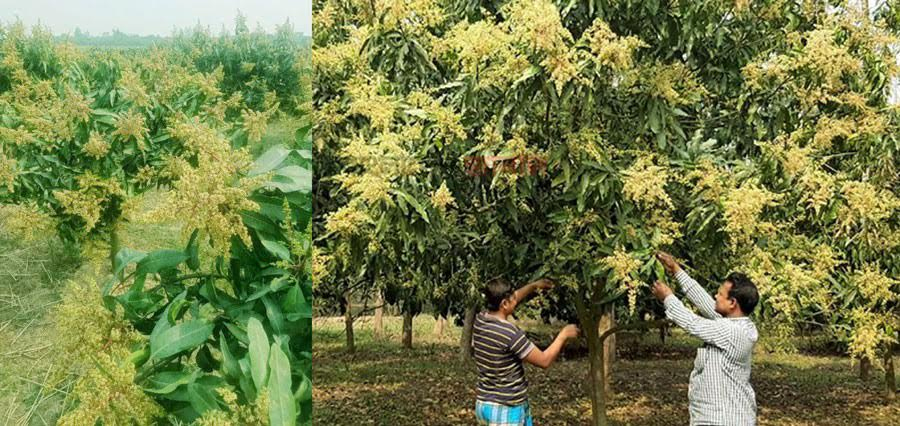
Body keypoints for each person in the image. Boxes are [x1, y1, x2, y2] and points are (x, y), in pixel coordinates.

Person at [651, 251, 760, 426]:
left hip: (724, 419)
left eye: (720, 294)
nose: (715, 296)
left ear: (732, 303)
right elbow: (705, 302)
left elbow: (692, 323)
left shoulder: (731, 332)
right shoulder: (736, 324)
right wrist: (676, 269)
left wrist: (667, 298)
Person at [472, 277, 580, 426]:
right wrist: (563, 335)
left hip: (484, 404)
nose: (516, 300)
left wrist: (534, 286)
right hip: (505, 409)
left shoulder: (481, 320)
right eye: (513, 299)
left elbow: (512, 296)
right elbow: (544, 360)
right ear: (504, 303)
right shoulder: (510, 334)